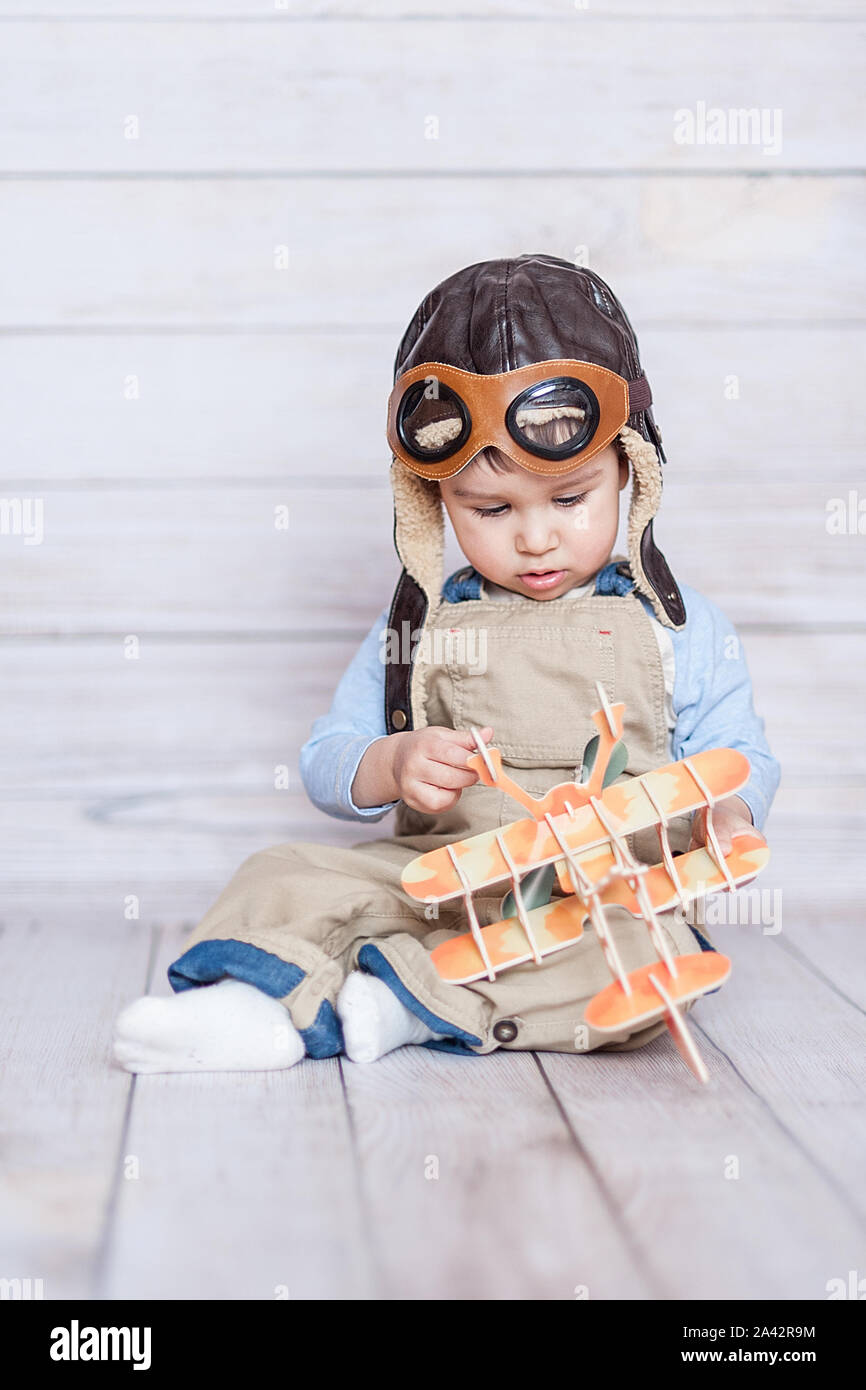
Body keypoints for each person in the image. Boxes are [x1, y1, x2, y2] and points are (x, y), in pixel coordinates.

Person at [113, 254, 780, 1075]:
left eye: (569, 499)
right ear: (433, 506)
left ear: (630, 474)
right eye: (492, 510)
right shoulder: (421, 625)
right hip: (435, 879)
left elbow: (739, 753)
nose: (535, 537)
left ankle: (396, 1005)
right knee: (283, 871)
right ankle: (252, 1006)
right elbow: (328, 760)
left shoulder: (678, 628)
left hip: (598, 898)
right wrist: (389, 764)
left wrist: (729, 816)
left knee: (648, 964)